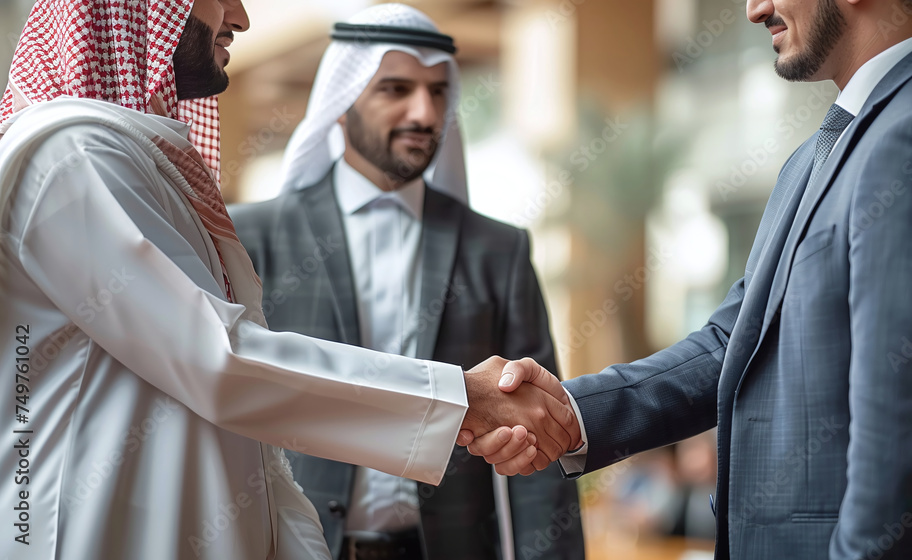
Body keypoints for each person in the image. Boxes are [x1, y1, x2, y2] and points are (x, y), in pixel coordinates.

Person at [0, 1, 576, 558]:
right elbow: (221, 362)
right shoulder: (71, 156)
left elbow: (258, 444)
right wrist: (459, 398)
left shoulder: (130, 163)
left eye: (438, 92)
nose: (241, 16)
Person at [464, 0, 912, 558]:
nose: (754, 9)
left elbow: (908, 440)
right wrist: (571, 415)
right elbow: (733, 340)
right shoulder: (821, 153)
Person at [229, 5, 584, 560]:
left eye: (438, 92)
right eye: (396, 89)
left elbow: (538, 434)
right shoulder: (254, 236)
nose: (424, 111)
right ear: (341, 101)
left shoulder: (497, 249)